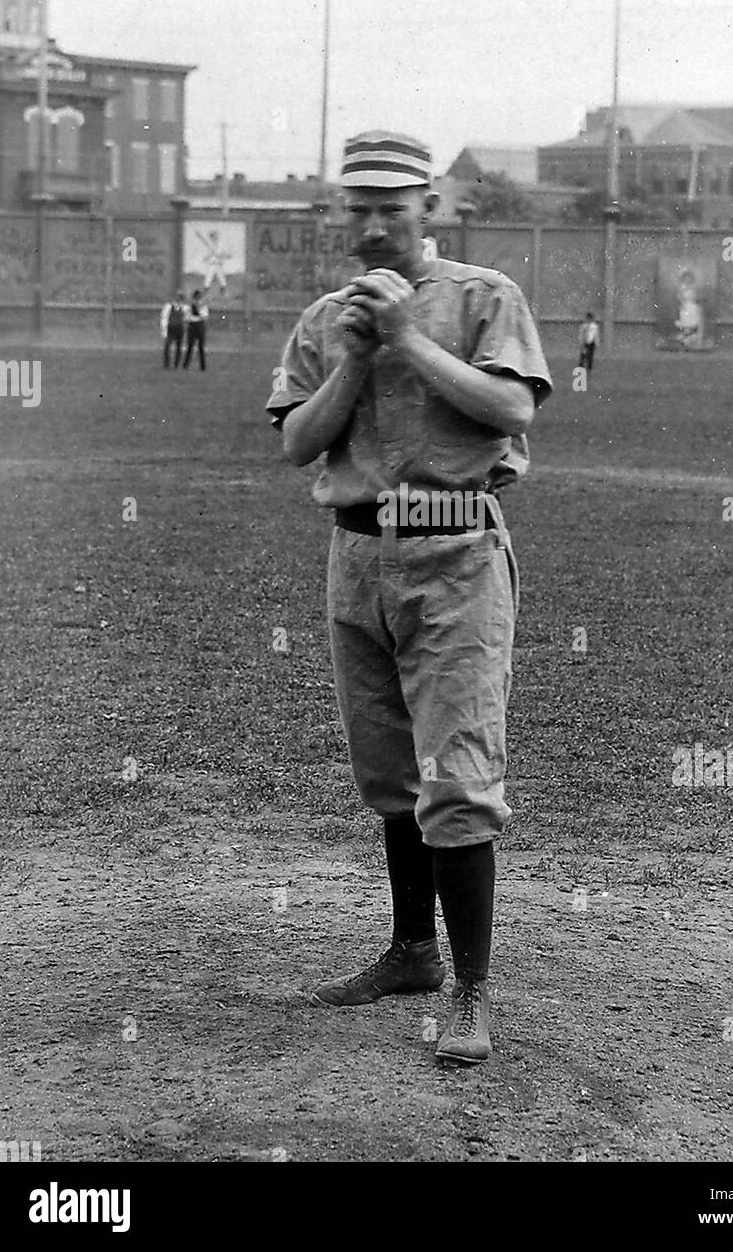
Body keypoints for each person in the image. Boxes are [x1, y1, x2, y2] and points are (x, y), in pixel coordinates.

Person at [265, 130, 552, 1064]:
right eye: (362, 206)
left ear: (432, 206)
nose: (378, 221)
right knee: (390, 775)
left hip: (457, 546)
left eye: (397, 204)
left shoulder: (483, 297)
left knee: (458, 780)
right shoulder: (323, 318)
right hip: (358, 555)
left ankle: (472, 990)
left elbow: (511, 411)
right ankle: (412, 951)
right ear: (343, 214)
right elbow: (298, 444)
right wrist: (356, 354)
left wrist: (406, 337)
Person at [160, 290, 187, 369]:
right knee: (167, 346)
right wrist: (164, 331)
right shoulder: (168, 306)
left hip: (180, 329)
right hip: (171, 328)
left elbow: (185, 318)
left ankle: (176, 365)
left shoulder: (185, 308)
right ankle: (166, 365)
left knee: (179, 347)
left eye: (181, 297)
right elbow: (164, 318)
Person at [183, 289, 209, 370]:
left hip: (200, 326)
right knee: (190, 347)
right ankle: (185, 366)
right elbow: (186, 317)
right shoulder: (189, 307)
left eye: (198, 298)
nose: (197, 300)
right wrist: (195, 314)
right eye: (195, 298)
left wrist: (197, 310)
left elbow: (204, 316)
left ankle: (203, 367)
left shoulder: (203, 306)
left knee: (201, 347)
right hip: (192, 326)